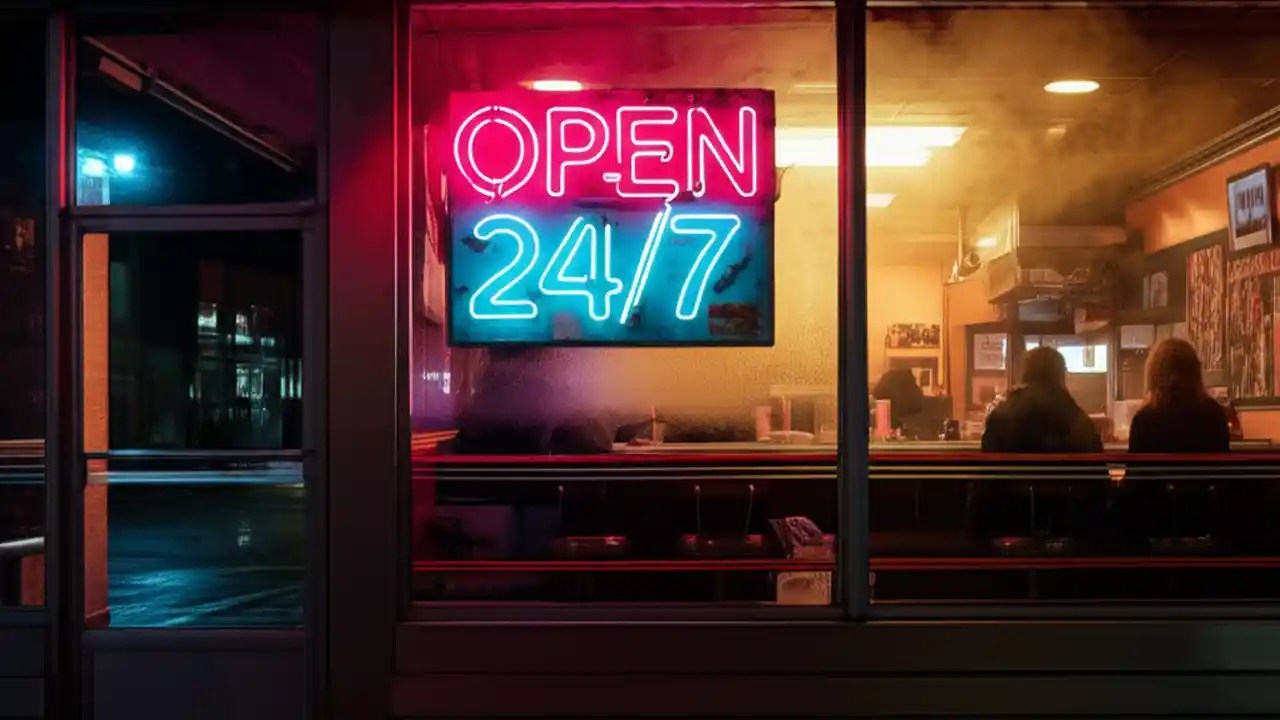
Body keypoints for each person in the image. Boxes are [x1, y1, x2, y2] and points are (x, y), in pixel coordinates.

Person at [981, 346, 1102, 453]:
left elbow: (986, 464)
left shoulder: (1002, 415)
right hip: (1066, 478)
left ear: (1025, 373)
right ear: (1060, 374)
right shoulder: (1073, 415)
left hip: (1010, 478)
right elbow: (1097, 467)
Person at [1128, 338, 1229, 453]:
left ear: (1154, 375)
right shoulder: (1214, 415)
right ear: (1195, 372)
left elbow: (1135, 468)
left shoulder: (1144, 420)